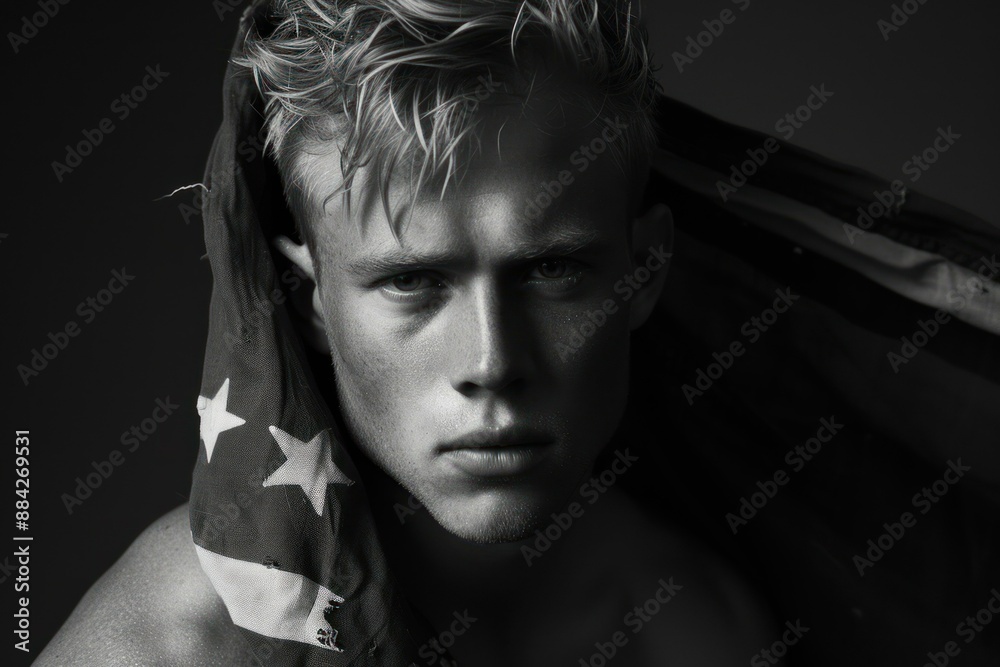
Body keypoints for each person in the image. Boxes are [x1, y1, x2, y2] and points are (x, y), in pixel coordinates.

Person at [36, 1, 776, 665]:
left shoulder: (698, 620)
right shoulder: (169, 652)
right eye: (412, 281)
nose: (492, 361)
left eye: (551, 268)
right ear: (307, 297)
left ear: (643, 271)